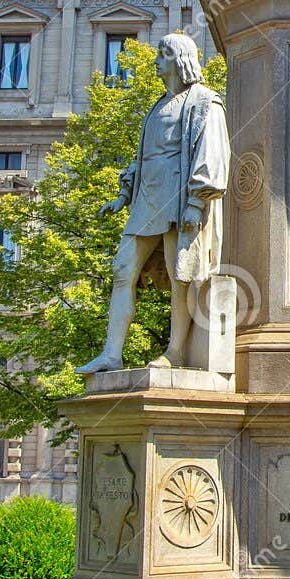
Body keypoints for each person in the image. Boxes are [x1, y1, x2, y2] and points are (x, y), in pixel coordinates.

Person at [78, 34, 230, 373]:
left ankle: (175, 351)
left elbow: (213, 154)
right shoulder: (158, 106)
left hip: (180, 204)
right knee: (122, 270)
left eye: (163, 54)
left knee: (182, 278)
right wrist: (122, 195)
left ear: (180, 59)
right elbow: (144, 158)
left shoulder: (206, 102)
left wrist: (195, 202)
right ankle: (112, 353)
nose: (156, 60)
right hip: (146, 203)